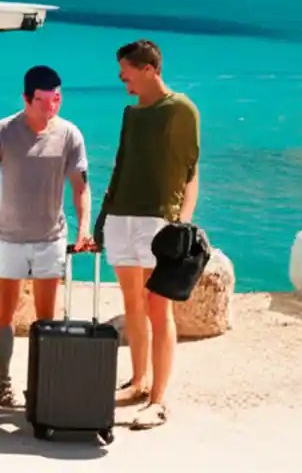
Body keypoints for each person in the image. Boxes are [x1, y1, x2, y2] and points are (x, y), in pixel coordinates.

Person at [0, 65, 93, 407]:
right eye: (43, 101)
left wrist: (84, 226)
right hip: (8, 238)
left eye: (56, 99)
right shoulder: (2, 133)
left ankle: (41, 384)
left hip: (51, 239)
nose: (51, 107)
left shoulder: (70, 135)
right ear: (26, 98)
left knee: (46, 319)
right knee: (2, 315)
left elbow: (80, 186)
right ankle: (4, 379)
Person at [97, 39, 200, 430]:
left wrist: (182, 223)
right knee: (133, 304)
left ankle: (158, 400)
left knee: (159, 308)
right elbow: (121, 166)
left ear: (149, 69)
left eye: (126, 72)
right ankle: (138, 383)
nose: (123, 79)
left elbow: (191, 171)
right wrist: (103, 217)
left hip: (159, 220)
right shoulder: (132, 113)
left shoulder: (181, 110)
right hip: (122, 216)